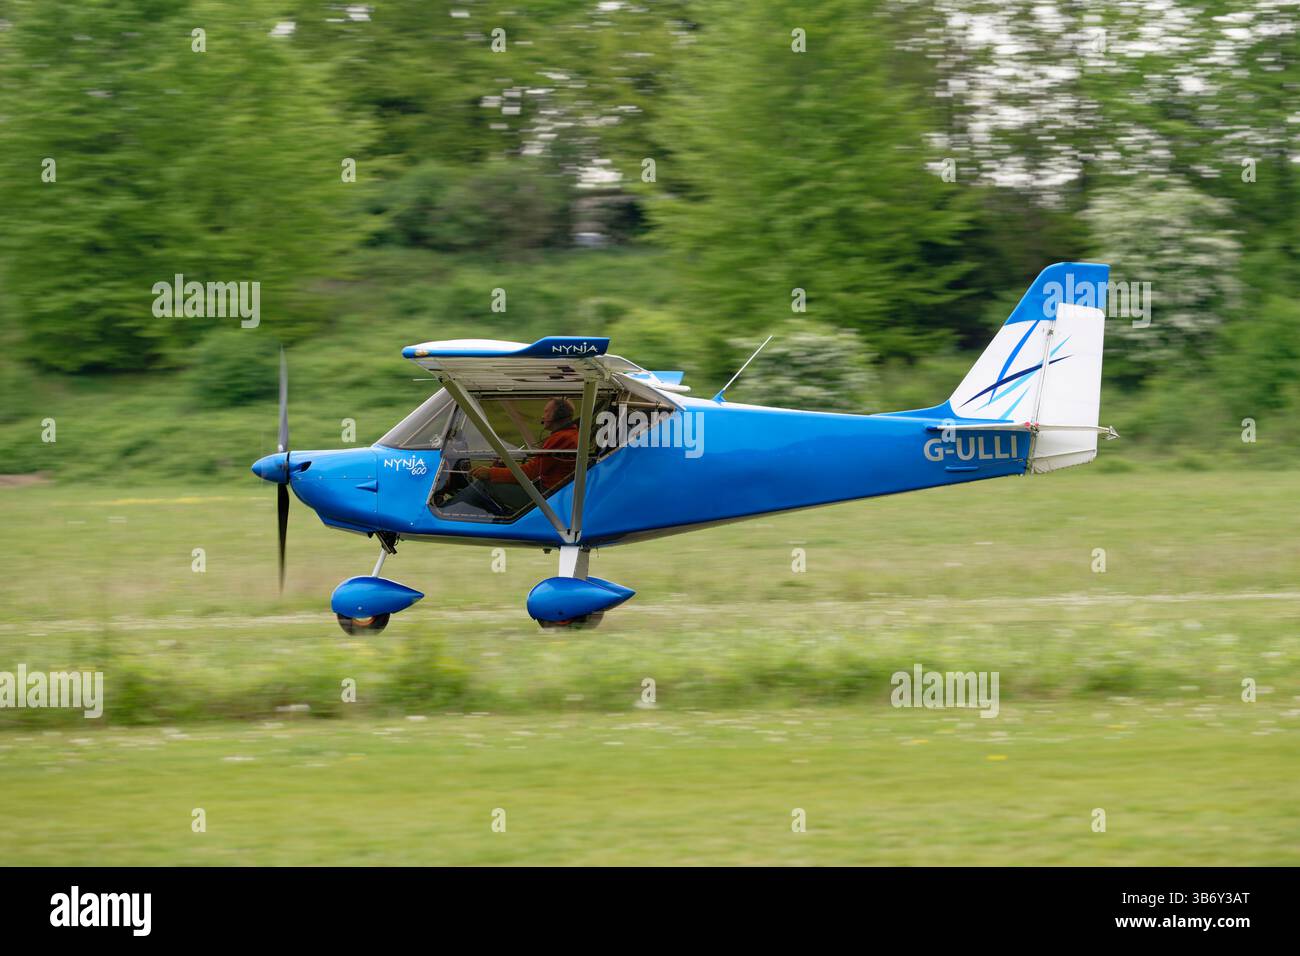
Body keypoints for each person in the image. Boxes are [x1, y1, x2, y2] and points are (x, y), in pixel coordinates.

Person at [470, 397, 580, 491]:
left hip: (547, 494)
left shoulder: (561, 438)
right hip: (550, 490)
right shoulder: (568, 435)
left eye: (546, 412)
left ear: (558, 415)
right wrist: (507, 466)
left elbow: (530, 473)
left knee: (482, 487)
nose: (543, 416)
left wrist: (491, 473)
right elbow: (536, 466)